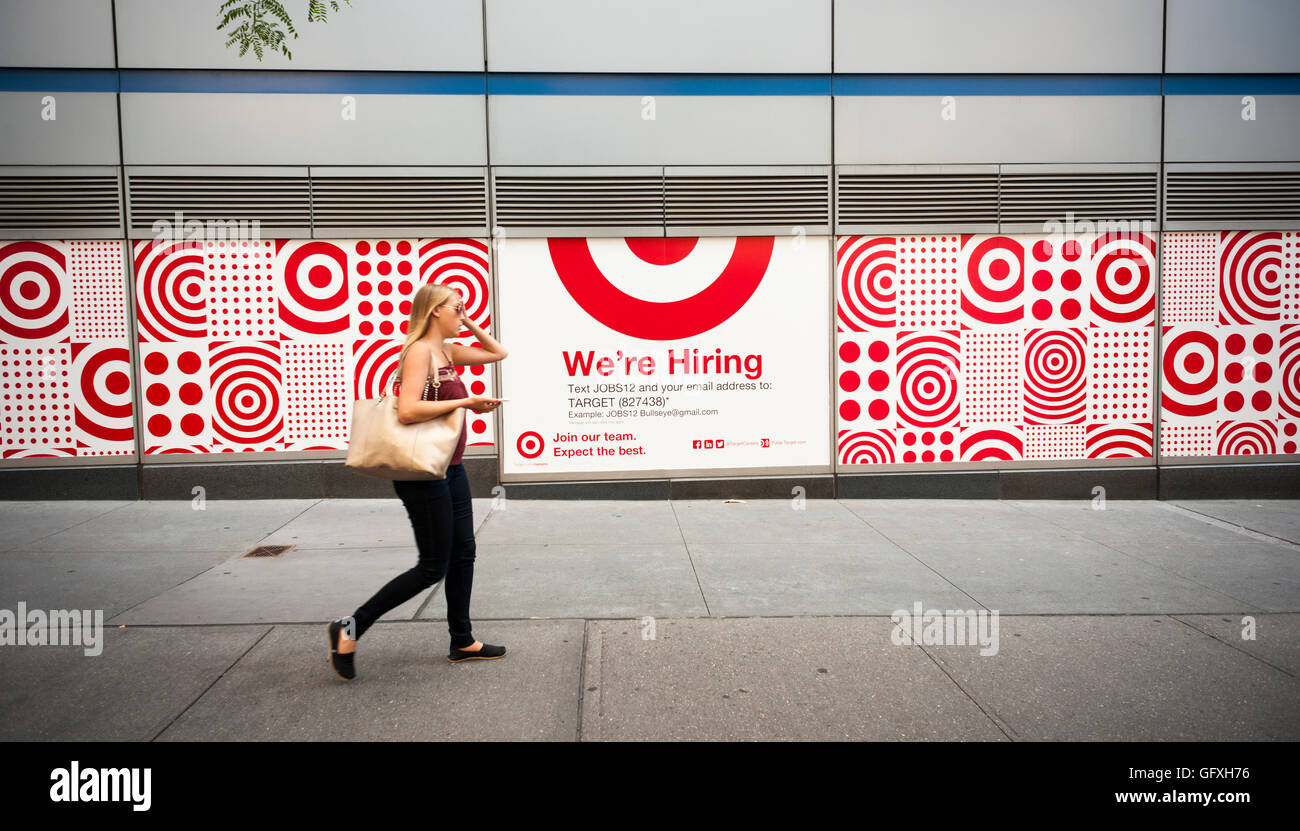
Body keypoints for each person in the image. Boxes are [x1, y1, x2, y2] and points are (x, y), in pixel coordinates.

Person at [328, 282, 507, 680]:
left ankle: (462, 641)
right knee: (431, 567)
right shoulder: (419, 353)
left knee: (464, 554)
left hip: (451, 469)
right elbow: (408, 411)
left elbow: (498, 353)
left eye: (464, 309)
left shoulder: (447, 351)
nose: (463, 314)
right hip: (422, 475)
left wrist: (470, 322)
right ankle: (350, 627)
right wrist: (465, 402)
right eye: (456, 309)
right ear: (434, 312)